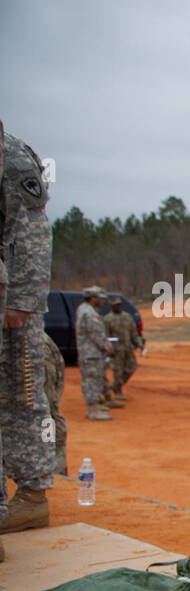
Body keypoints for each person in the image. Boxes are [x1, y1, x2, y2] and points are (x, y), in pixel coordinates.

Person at [1, 122, 56, 548]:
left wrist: (20, 298)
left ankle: (32, 493)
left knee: (21, 396)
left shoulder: (13, 157)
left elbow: (32, 230)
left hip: (9, 302)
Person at [75, 286, 114, 420]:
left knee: (91, 379)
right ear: (92, 298)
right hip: (91, 353)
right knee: (92, 380)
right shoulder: (89, 313)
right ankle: (93, 410)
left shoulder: (83, 309)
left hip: (88, 352)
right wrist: (106, 346)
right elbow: (96, 334)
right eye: (99, 298)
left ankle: (94, 407)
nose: (102, 301)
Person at [103, 294, 142, 402]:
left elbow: (134, 332)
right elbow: (105, 336)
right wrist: (108, 348)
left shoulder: (127, 317)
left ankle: (116, 386)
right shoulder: (107, 319)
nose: (118, 307)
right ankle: (117, 389)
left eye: (119, 305)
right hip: (116, 349)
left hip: (127, 347)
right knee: (118, 371)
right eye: (116, 305)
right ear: (111, 306)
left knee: (132, 367)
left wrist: (139, 343)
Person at [41, 330, 66, 477]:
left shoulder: (38, 343)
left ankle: (54, 474)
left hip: (44, 418)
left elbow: (47, 404)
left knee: (48, 424)